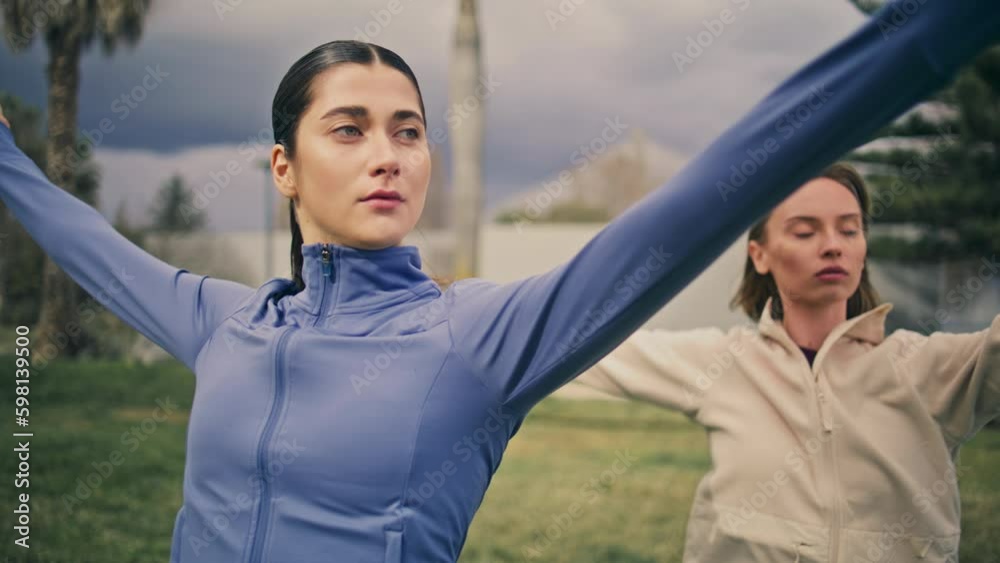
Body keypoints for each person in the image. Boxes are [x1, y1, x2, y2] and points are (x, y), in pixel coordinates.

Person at [1, 2, 998, 561]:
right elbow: (85, 239)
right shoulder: (222, 319)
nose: (387, 153)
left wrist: (939, 27)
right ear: (283, 167)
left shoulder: (479, 335)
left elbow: (718, 181)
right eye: (349, 128)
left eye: (409, 130)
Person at [567, 162, 1000, 562]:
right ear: (760, 254)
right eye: (805, 232)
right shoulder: (724, 363)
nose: (833, 246)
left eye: (849, 230)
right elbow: (574, 348)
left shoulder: (928, 368)